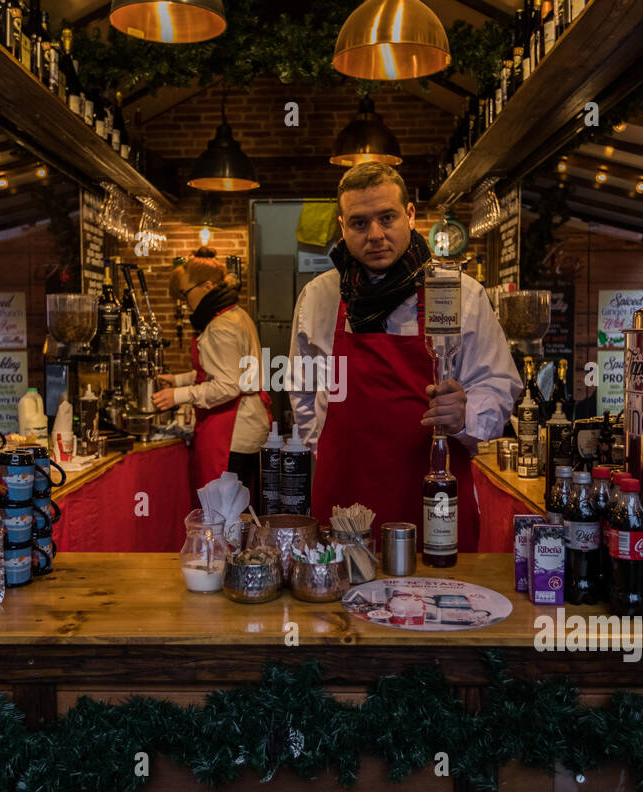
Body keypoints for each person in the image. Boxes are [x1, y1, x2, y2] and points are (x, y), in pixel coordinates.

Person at [289, 162, 520, 549]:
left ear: (410, 215)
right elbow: (303, 391)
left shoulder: (459, 292)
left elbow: (498, 384)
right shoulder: (319, 297)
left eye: (387, 217)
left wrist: (466, 415)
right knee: (338, 605)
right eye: (360, 224)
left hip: (434, 492)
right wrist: (327, 449)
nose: (375, 234)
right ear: (342, 227)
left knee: (441, 600)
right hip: (344, 496)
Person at [155, 248, 271, 496]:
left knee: (226, 513)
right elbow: (220, 372)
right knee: (241, 510)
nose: (184, 303)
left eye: (185, 294)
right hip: (249, 424)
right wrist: (177, 380)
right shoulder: (235, 315)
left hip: (233, 433)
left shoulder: (220, 327)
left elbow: (228, 385)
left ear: (207, 286)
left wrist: (177, 395)